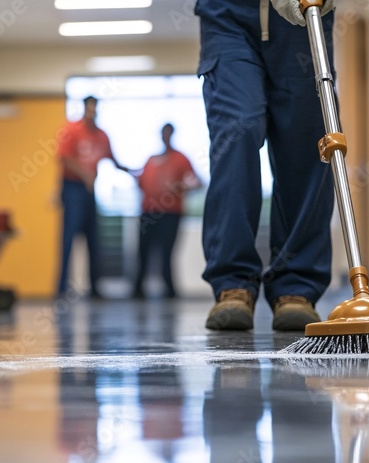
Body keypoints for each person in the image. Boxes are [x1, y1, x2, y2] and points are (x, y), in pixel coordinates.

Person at [197, 0, 336, 331]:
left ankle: (296, 286)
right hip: (227, 14)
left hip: (302, 14)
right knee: (237, 128)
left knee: (307, 143)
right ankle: (234, 283)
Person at [56, 96, 129, 298]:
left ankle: (95, 288)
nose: (92, 112)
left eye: (95, 109)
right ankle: (62, 289)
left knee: (94, 239)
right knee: (68, 240)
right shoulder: (72, 130)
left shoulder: (101, 136)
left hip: (90, 191)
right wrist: (84, 174)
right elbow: (63, 158)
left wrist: (130, 171)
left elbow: (112, 159)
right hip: (72, 188)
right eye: (89, 108)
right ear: (84, 109)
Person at [132, 124, 201, 299]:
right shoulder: (151, 160)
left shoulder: (181, 159)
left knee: (166, 252)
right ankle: (138, 289)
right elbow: (141, 183)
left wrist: (181, 187)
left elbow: (196, 182)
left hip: (170, 214)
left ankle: (169, 290)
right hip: (148, 212)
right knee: (143, 251)